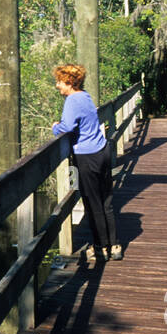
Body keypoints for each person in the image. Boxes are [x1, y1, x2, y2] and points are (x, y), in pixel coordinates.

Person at [51, 64, 121, 263]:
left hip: (87, 155)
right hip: (102, 151)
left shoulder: (72, 100)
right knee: (106, 200)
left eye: (60, 82)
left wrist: (56, 127)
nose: (57, 86)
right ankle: (114, 245)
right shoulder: (85, 96)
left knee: (92, 202)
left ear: (69, 83)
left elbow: (67, 126)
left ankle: (100, 247)